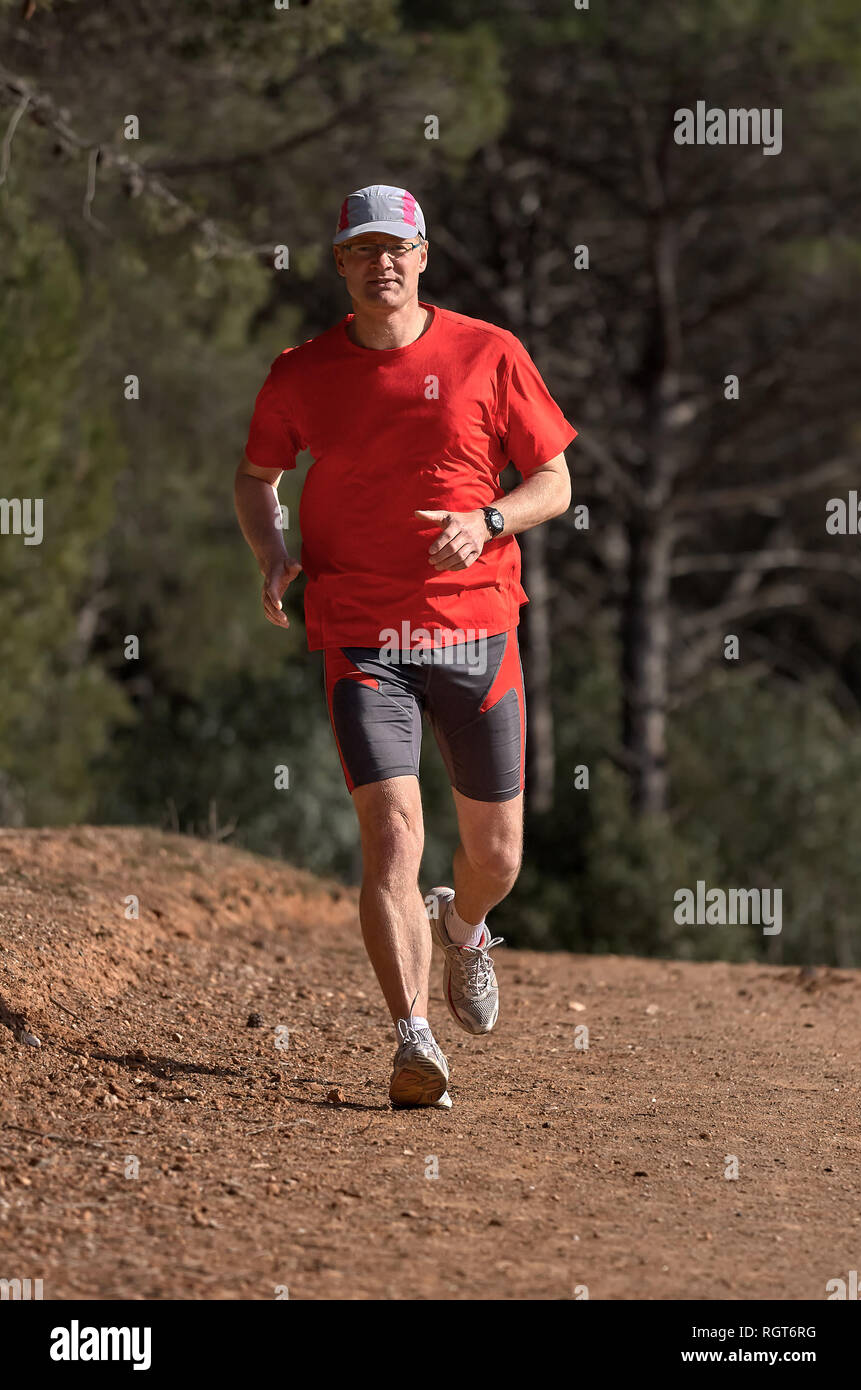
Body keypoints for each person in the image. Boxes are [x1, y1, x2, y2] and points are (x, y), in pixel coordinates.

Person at [234, 184, 577, 1110]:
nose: (383, 262)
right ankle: (413, 1039)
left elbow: (555, 479)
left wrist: (491, 518)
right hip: (362, 633)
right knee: (391, 834)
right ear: (341, 263)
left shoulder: (488, 353)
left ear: (424, 257)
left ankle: (464, 926)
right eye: (363, 248)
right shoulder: (301, 372)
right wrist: (273, 552)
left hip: (475, 629)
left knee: (495, 857)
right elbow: (256, 475)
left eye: (399, 247)